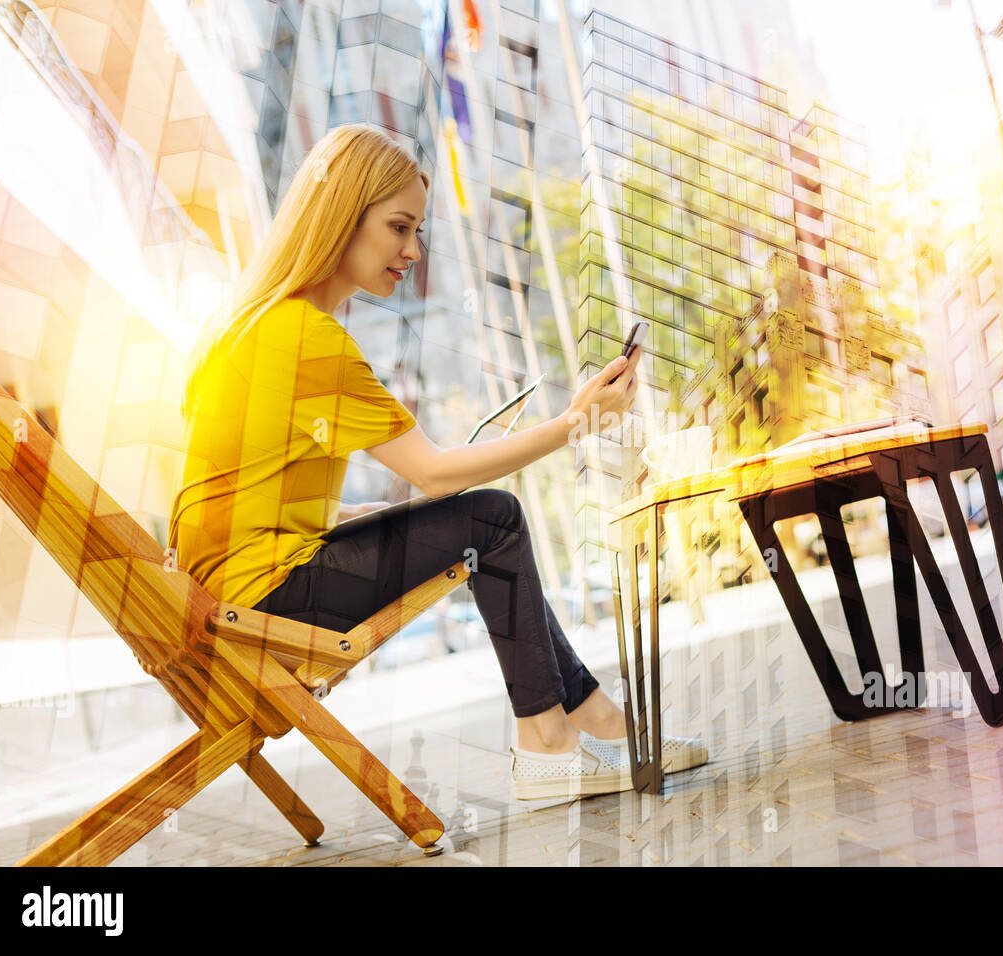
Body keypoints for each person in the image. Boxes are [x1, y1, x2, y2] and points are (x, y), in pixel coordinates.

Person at [168, 124, 706, 801]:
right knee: (490, 517)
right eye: (398, 227)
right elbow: (436, 470)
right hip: (259, 605)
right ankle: (548, 744)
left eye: (417, 232)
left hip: (239, 595)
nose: (411, 251)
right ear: (342, 216)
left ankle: (593, 718)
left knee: (475, 524)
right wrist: (578, 423)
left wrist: (374, 517)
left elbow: (240, 494)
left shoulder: (256, 324)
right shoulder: (306, 337)